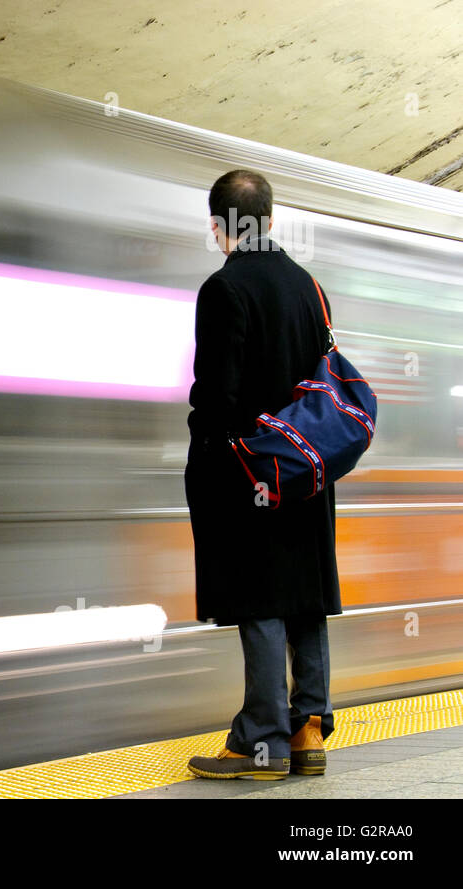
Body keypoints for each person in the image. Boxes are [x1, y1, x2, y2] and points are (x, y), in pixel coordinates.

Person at [184, 169, 340, 781]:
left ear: (220, 227)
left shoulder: (224, 290)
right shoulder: (310, 287)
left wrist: (208, 448)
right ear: (270, 221)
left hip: (255, 472)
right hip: (309, 466)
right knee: (305, 595)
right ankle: (307, 729)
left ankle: (262, 741)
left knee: (261, 597)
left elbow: (217, 397)